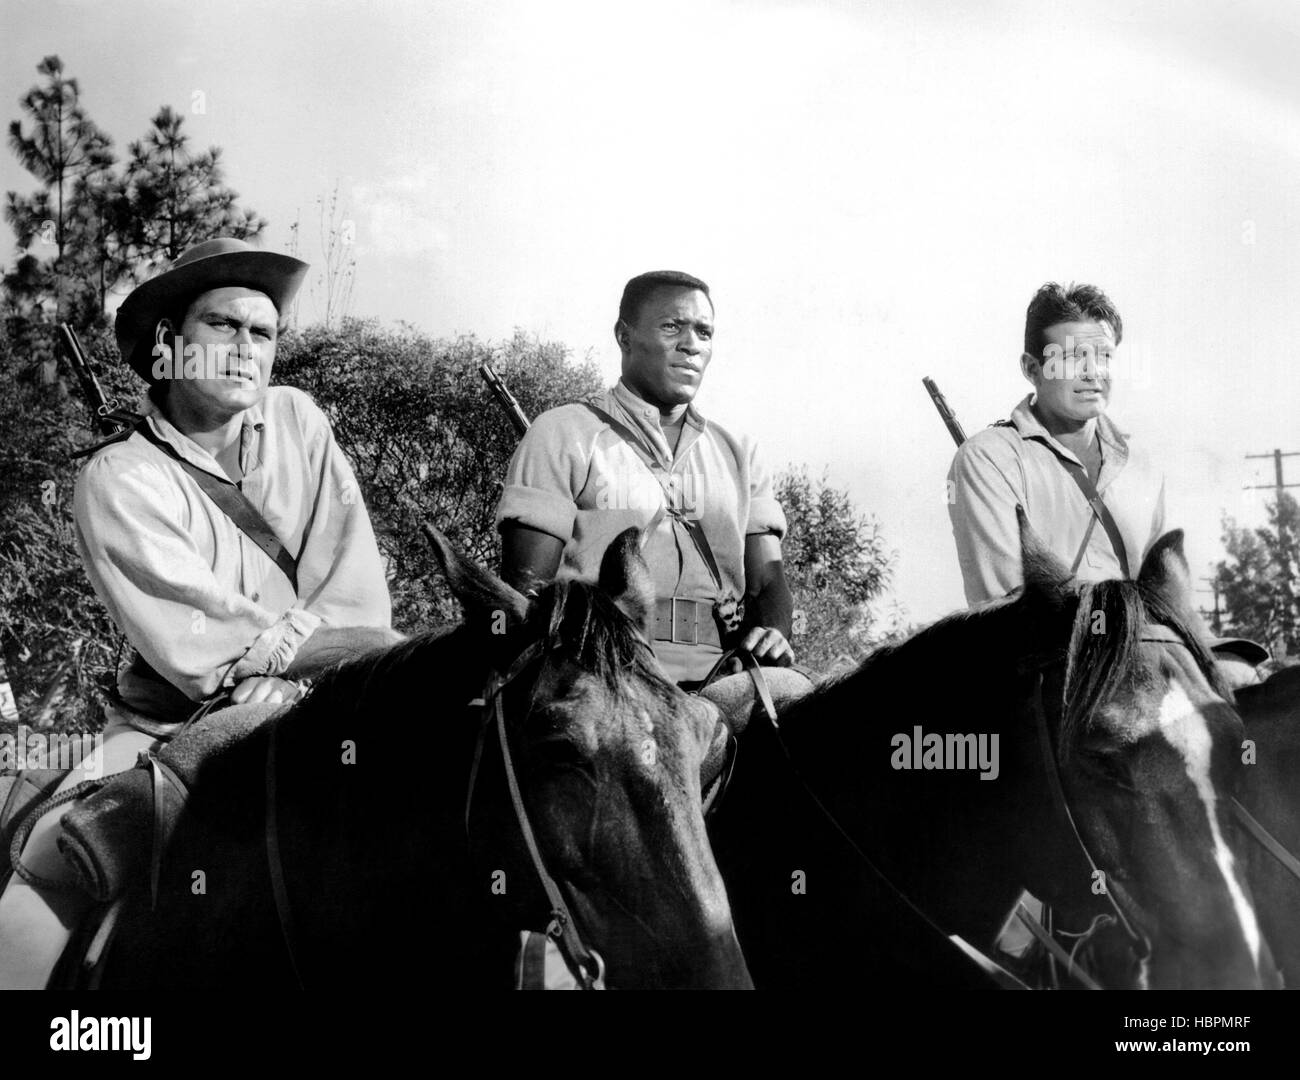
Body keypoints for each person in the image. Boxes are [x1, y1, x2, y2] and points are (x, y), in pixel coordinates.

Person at [0, 237, 398, 988]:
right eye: (223, 326)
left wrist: (294, 675)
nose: (247, 348)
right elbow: (202, 638)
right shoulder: (120, 476)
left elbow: (354, 587)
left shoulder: (300, 421)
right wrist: (286, 661)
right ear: (169, 346)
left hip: (325, 706)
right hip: (169, 728)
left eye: (263, 333)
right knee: (60, 856)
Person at [495, 270, 801, 693]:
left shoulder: (739, 452)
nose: (691, 344)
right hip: (602, 670)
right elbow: (526, 589)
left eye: (704, 332)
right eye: (671, 326)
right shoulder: (563, 434)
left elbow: (768, 583)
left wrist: (773, 635)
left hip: (722, 673)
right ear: (624, 336)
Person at [946, 280, 1268, 682]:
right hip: (1053, 669)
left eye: (1103, 356)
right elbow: (1009, 606)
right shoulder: (990, 458)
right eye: (1072, 357)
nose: (1092, 373)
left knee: (1249, 680)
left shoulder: (1142, 465)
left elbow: (1166, 588)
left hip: (1148, 653)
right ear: (1031, 369)